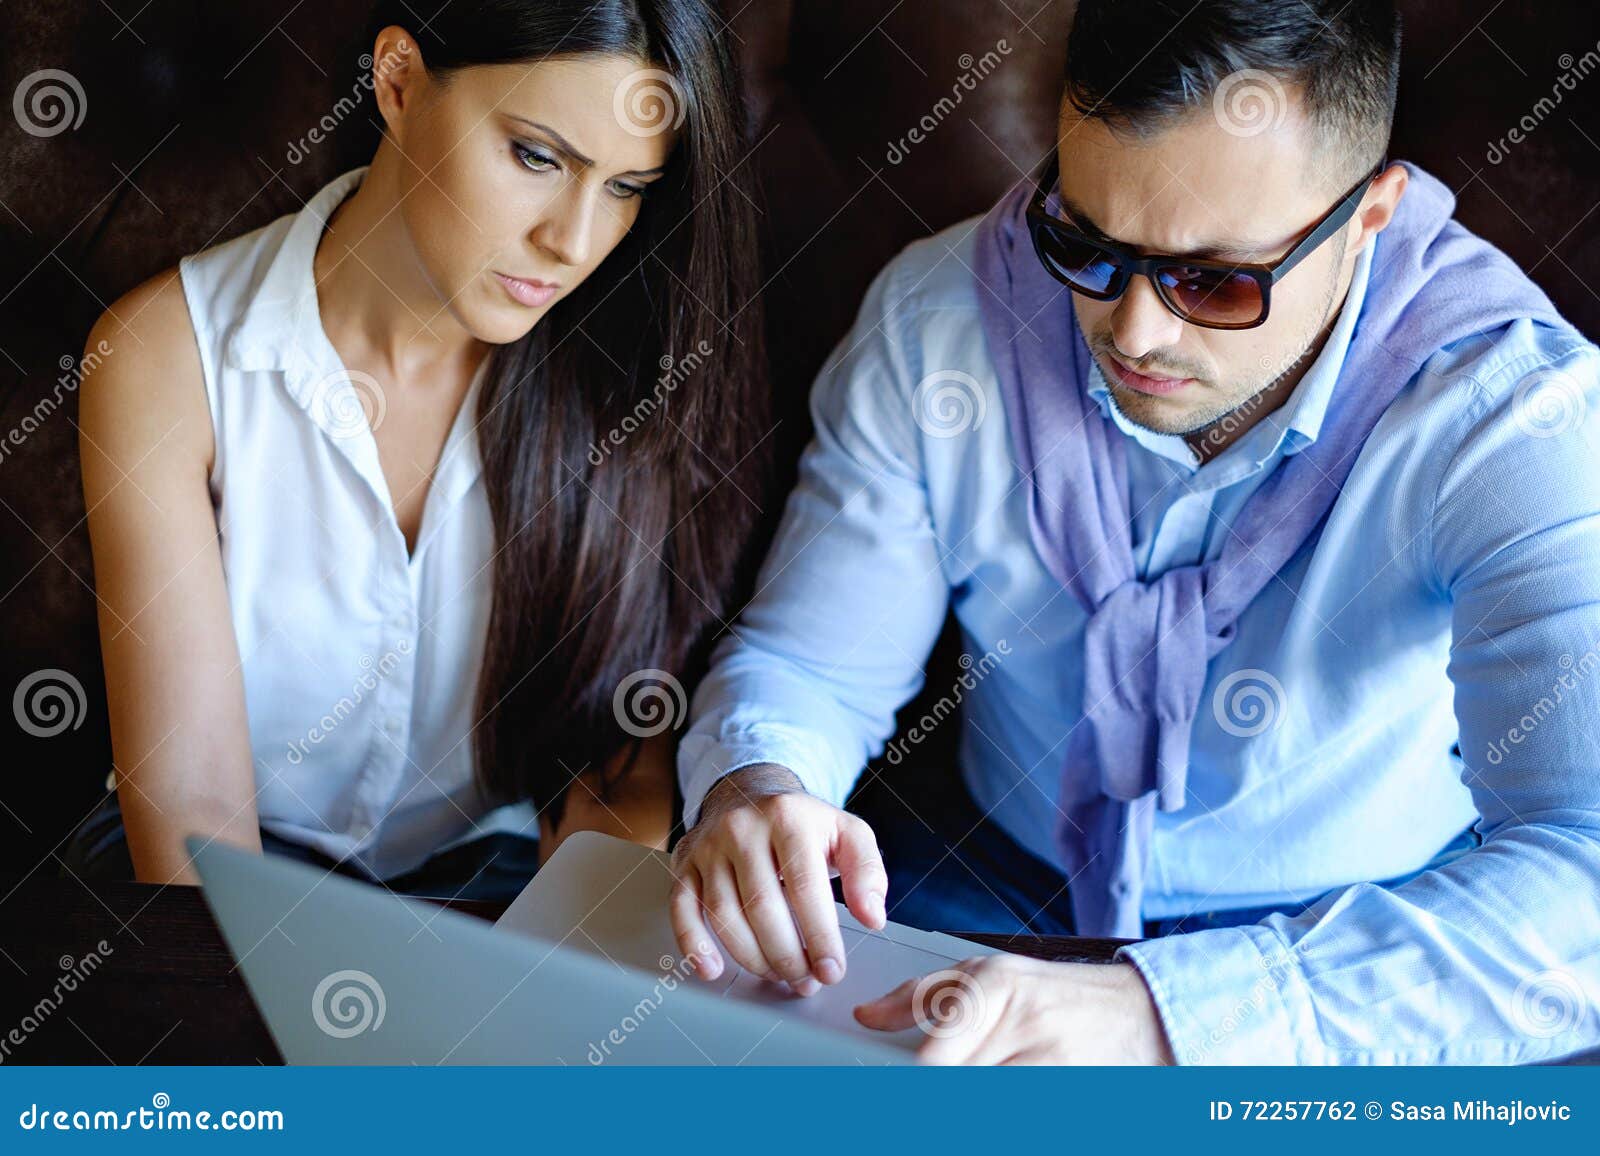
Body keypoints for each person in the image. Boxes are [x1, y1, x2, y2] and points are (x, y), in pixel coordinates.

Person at [668, 0, 1600, 1063]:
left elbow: (1583, 867)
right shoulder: (937, 322)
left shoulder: (1518, 417)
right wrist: (758, 783)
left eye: (1214, 280)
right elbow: (811, 669)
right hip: (980, 875)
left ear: (1368, 217)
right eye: (1085, 245)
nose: (1134, 333)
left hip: (1363, 937)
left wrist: (1162, 1013)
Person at [70, 0, 768, 903]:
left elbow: (614, 763)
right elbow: (194, 814)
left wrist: (564, 955)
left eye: (626, 188)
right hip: (212, 881)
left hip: (490, 882)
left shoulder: (637, 366)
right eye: (537, 156)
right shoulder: (167, 357)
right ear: (398, 81)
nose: (571, 242)